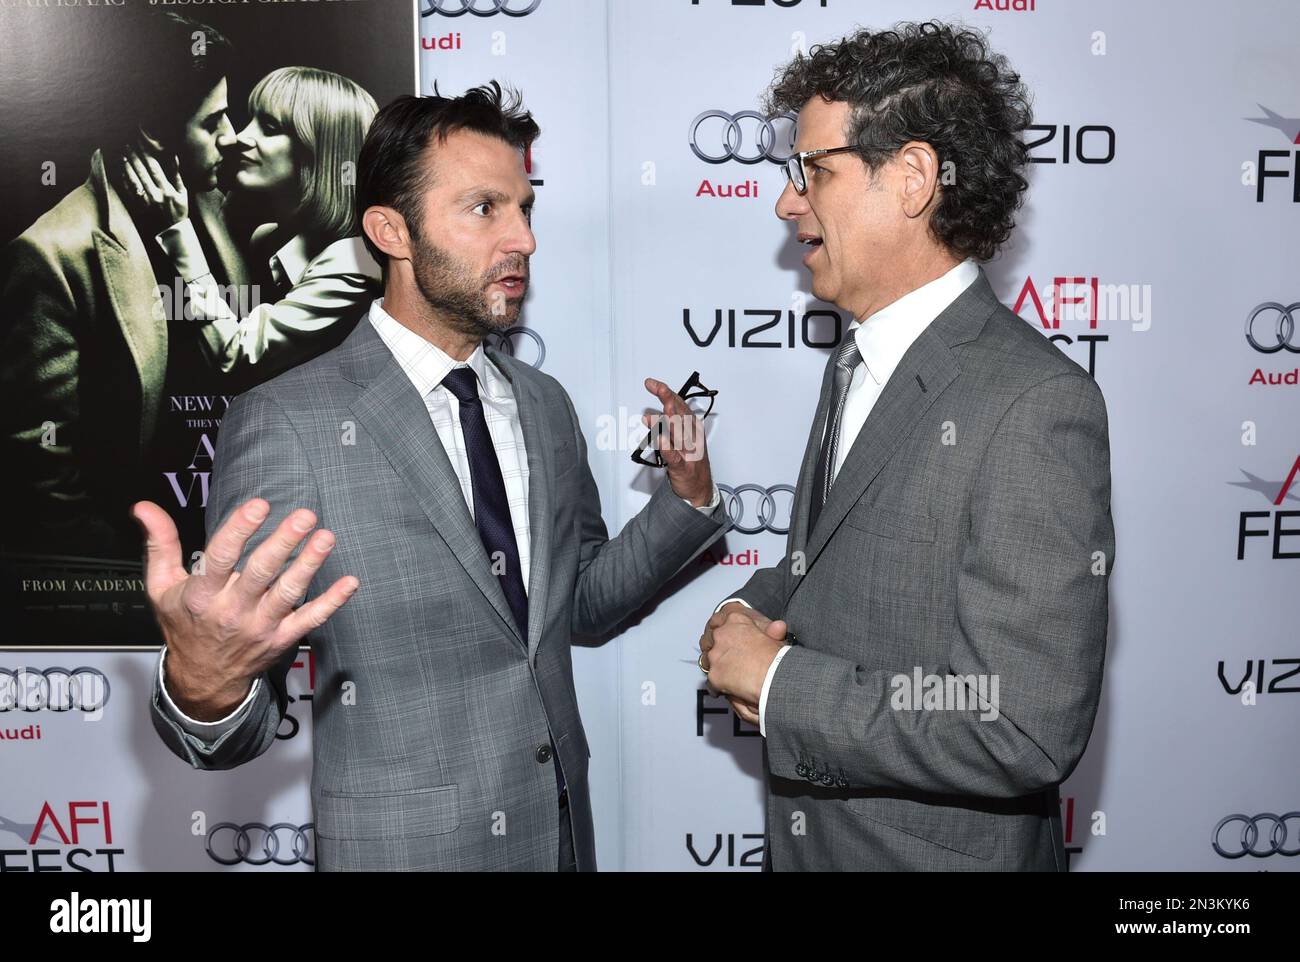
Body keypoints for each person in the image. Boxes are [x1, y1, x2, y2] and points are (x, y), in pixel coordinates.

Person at [135, 83, 729, 871]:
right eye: (485, 209)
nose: (523, 239)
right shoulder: (290, 421)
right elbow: (240, 697)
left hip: (560, 843)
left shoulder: (543, 406)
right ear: (391, 230)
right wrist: (203, 686)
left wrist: (686, 500)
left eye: (525, 208)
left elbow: (577, 604)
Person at [698, 22, 1115, 871]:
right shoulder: (858, 358)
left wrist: (777, 685)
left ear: (915, 178)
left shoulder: (1034, 405)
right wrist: (748, 605)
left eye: (815, 171)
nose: (787, 201)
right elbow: (828, 572)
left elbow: (1021, 725)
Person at [0, 12, 247, 558]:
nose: (232, 139)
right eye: (213, 123)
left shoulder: (216, 203)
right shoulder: (51, 254)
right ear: (154, 135)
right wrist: (122, 575)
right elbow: (42, 472)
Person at [125, 66, 382, 390]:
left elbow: (235, 359)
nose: (240, 137)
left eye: (270, 128)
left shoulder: (356, 262)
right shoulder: (266, 240)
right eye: (251, 120)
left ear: (319, 154)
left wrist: (177, 230)